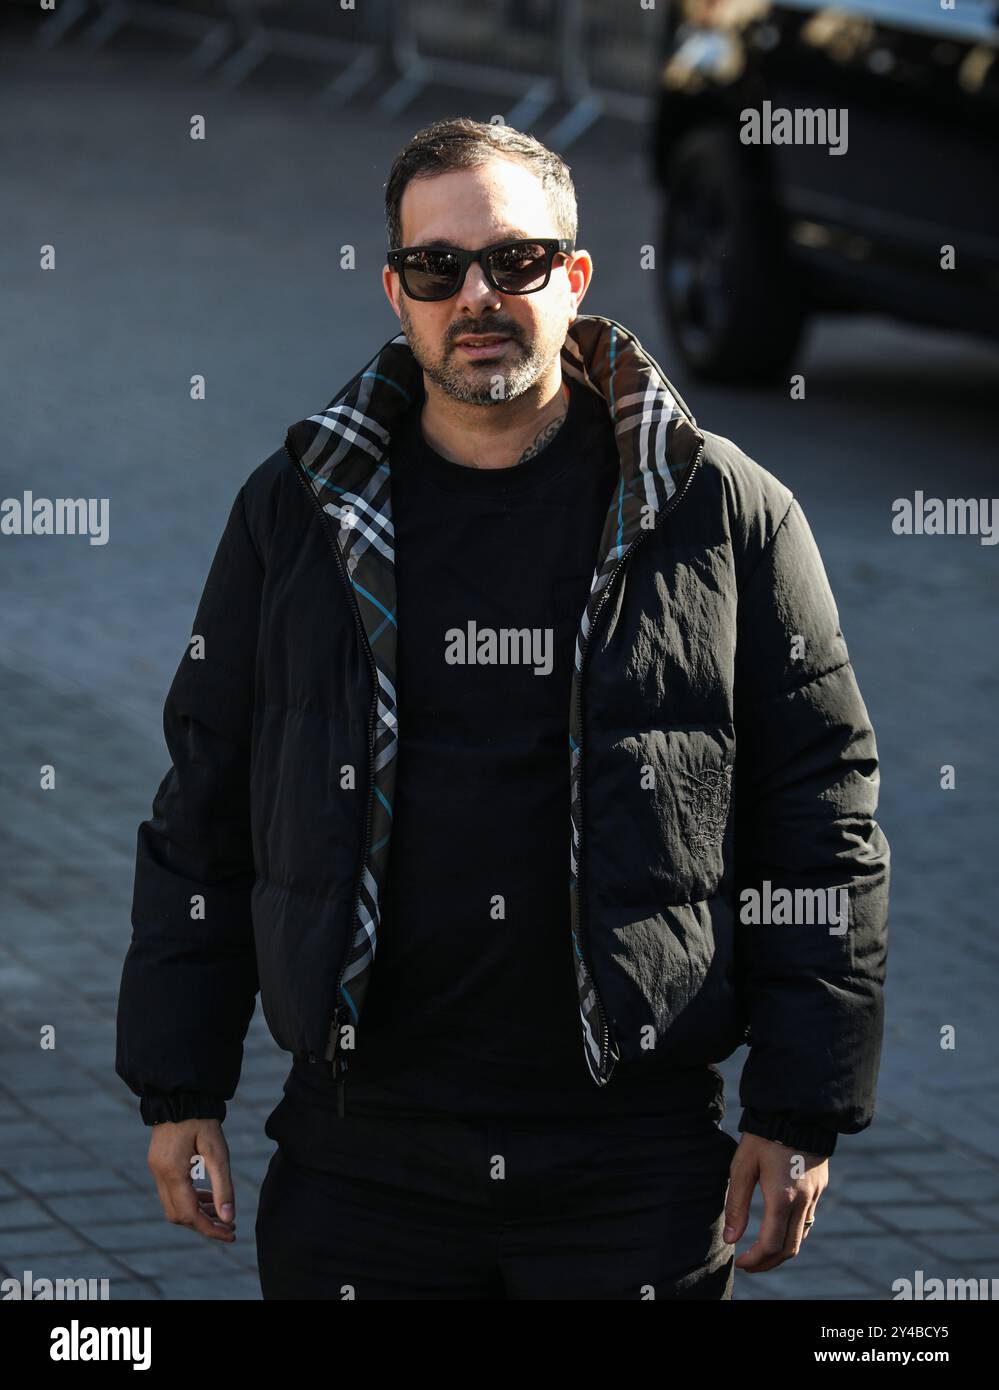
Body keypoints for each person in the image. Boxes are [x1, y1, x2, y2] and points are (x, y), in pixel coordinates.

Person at [115, 116, 890, 1300]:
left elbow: (822, 814)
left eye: (517, 261)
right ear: (397, 292)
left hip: (627, 1158)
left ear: (575, 276)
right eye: (439, 267)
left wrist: (801, 1104)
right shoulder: (299, 509)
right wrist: (179, 1086)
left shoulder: (718, 508)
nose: (478, 294)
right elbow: (205, 798)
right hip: (361, 1151)